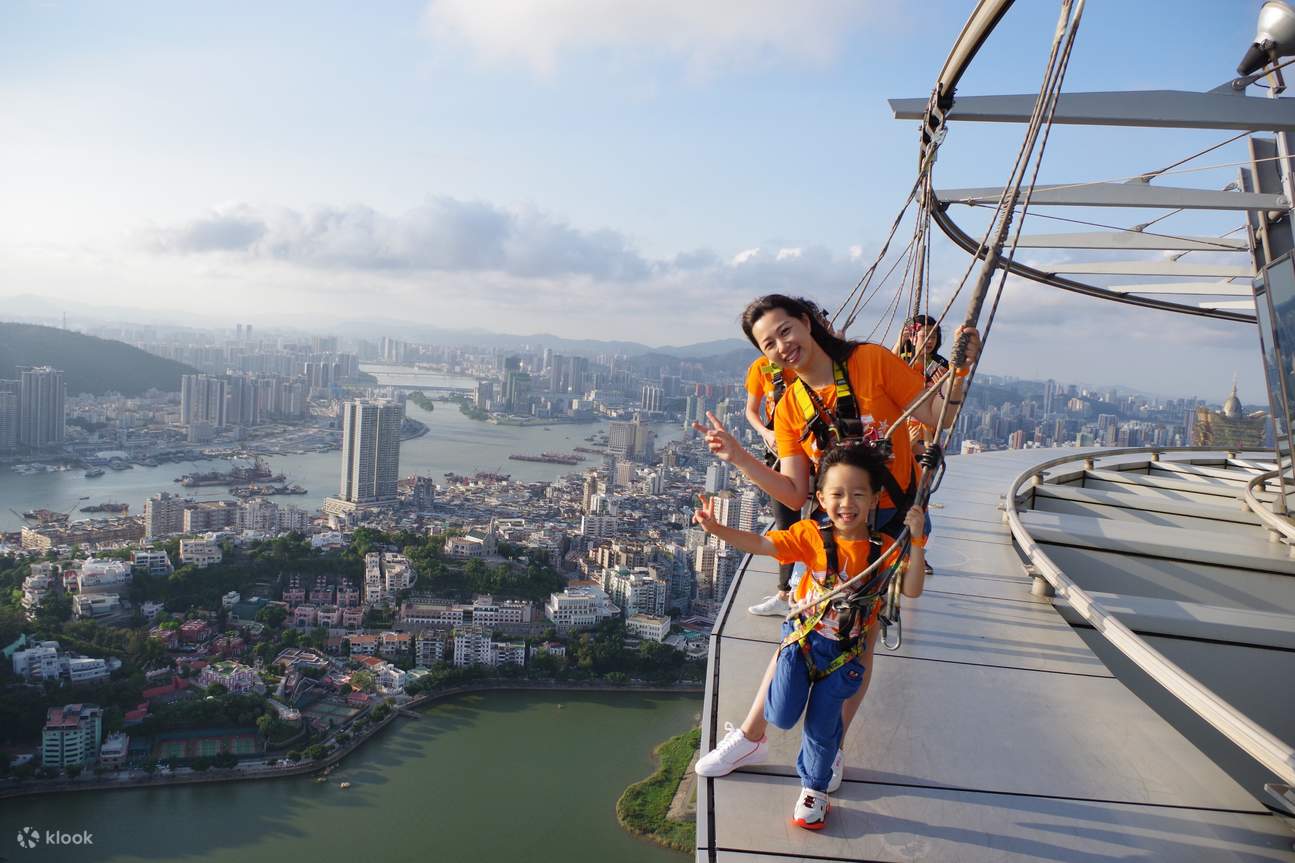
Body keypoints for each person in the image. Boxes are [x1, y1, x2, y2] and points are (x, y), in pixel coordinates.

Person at [691, 444, 928, 830]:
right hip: (801, 644)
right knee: (781, 714)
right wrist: (718, 530)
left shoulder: (884, 549)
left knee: (821, 728)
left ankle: (813, 790)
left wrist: (915, 542)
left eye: (857, 494)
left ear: (874, 499)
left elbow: (913, 589)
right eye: (836, 494)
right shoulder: (810, 535)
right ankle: (760, 740)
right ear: (820, 498)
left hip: (844, 656)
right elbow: (765, 545)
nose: (846, 504)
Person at [694, 294, 979, 537]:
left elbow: (935, 414)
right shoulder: (789, 408)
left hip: (895, 516)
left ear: (806, 323)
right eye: (768, 344)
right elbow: (795, 494)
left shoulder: (871, 361)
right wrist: (738, 457)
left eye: (785, 331)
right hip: (839, 528)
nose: (782, 347)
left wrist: (958, 374)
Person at [742, 354, 799, 616]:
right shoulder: (763, 367)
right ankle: (785, 592)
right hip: (781, 454)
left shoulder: (819, 361)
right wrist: (767, 433)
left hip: (817, 454)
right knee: (786, 524)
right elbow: (751, 410)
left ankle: (809, 589)